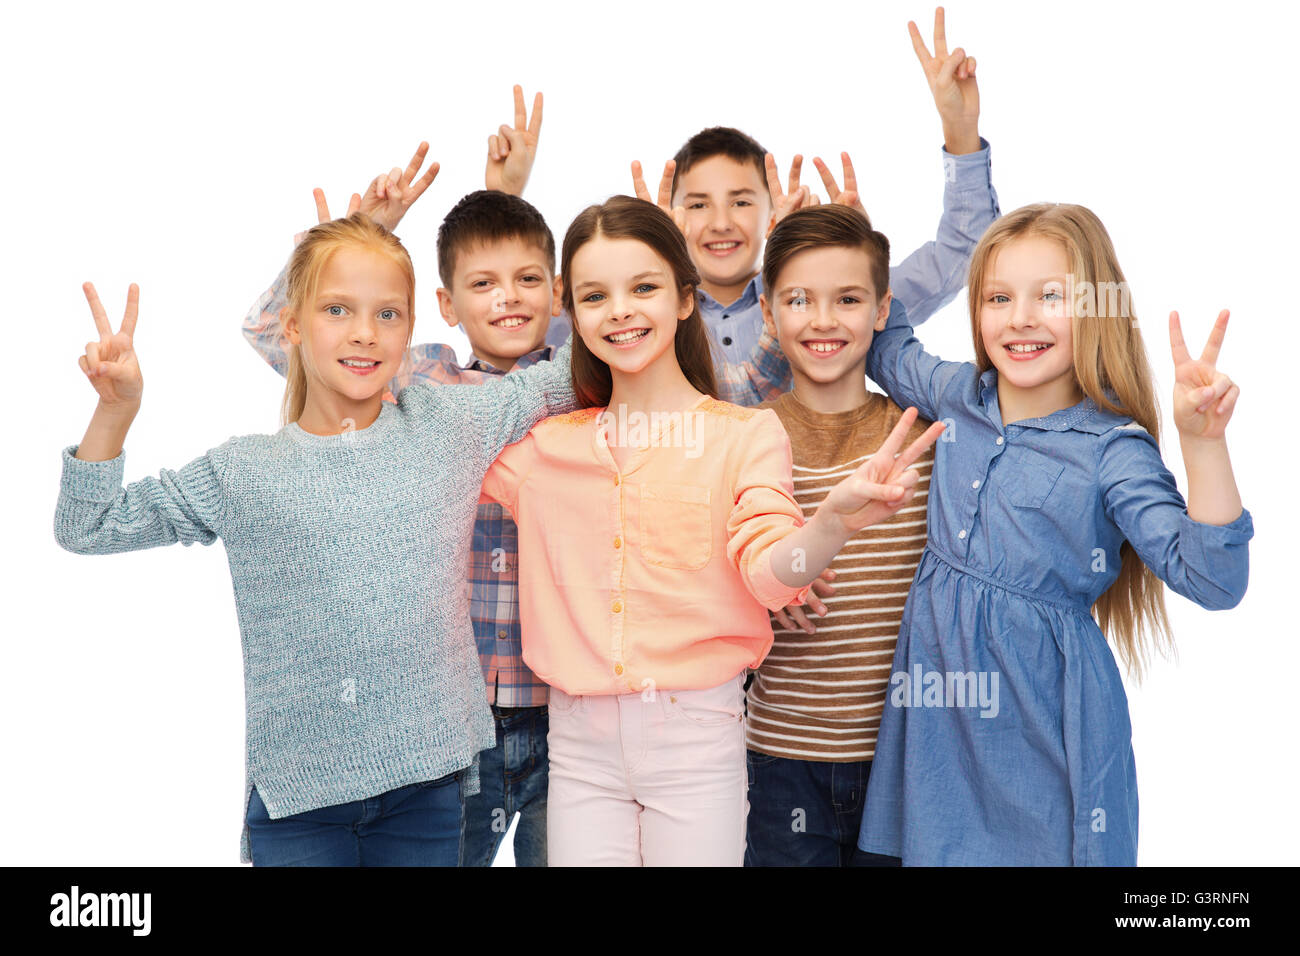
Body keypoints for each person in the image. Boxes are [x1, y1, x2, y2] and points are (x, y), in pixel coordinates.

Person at [54, 213, 578, 865]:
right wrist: (115, 410)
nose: (365, 332)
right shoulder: (245, 471)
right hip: (299, 805)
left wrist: (662, 270)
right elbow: (89, 525)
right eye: (338, 310)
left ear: (411, 330)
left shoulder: (449, 426)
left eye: (388, 314)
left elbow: (564, 377)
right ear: (295, 325)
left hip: (429, 794)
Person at [480, 195, 944, 865]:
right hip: (577, 750)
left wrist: (829, 527)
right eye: (594, 295)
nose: (620, 311)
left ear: (685, 298)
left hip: (697, 742)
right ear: (569, 312)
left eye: (644, 287)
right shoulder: (540, 451)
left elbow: (768, 570)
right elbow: (403, 428)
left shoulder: (743, 434)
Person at [856, 202, 1253, 865]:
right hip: (936, 740)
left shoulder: (1112, 449)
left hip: (1041, 736)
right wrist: (864, 253)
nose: (1020, 318)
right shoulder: (959, 396)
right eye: (998, 298)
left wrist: (1203, 443)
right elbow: (886, 339)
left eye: (1051, 296)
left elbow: (1214, 579)